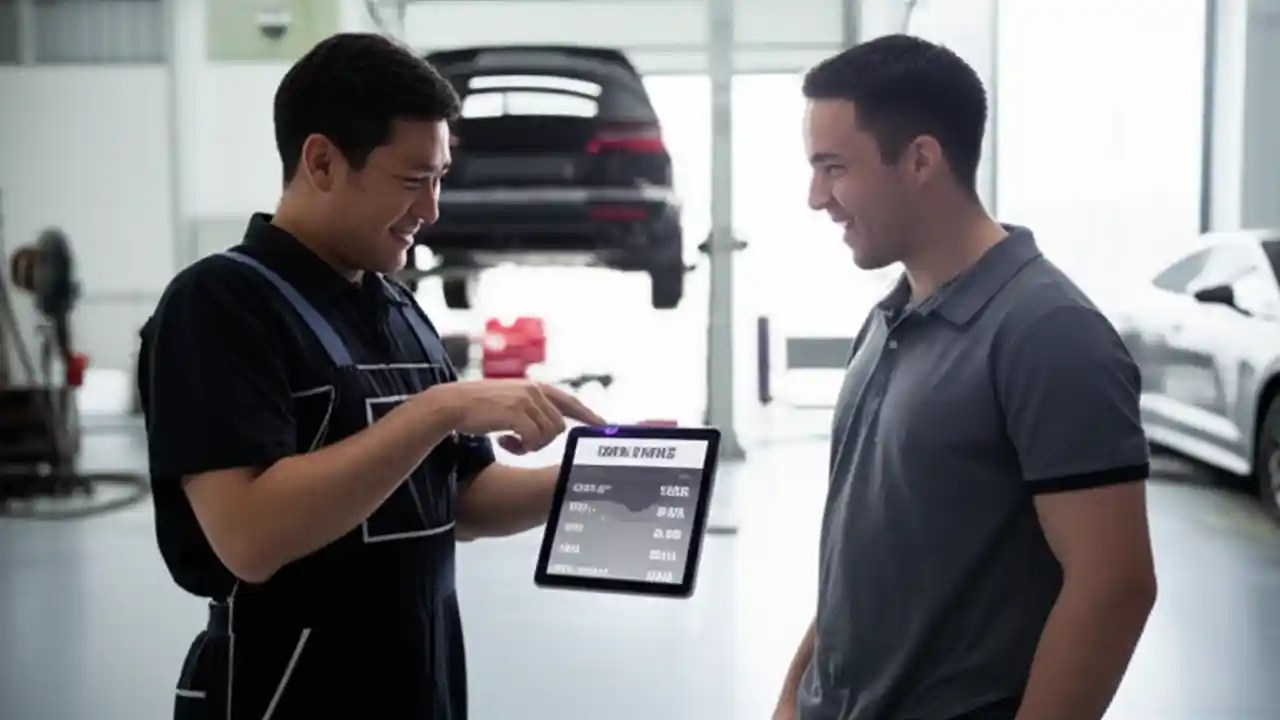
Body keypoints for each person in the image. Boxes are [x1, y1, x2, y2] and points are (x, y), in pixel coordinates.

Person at [137, 33, 607, 720]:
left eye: (441, 178)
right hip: (284, 696)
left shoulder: (396, 306)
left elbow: (459, 497)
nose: (432, 210)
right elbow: (249, 537)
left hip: (420, 688)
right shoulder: (219, 304)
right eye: (414, 180)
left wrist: (593, 483)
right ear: (322, 161)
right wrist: (439, 409)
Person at [773, 35, 1158, 720]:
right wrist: (793, 697)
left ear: (920, 159)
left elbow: (1115, 586)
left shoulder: (1048, 333)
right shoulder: (889, 320)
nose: (816, 198)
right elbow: (862, 558)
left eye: (833, 168)